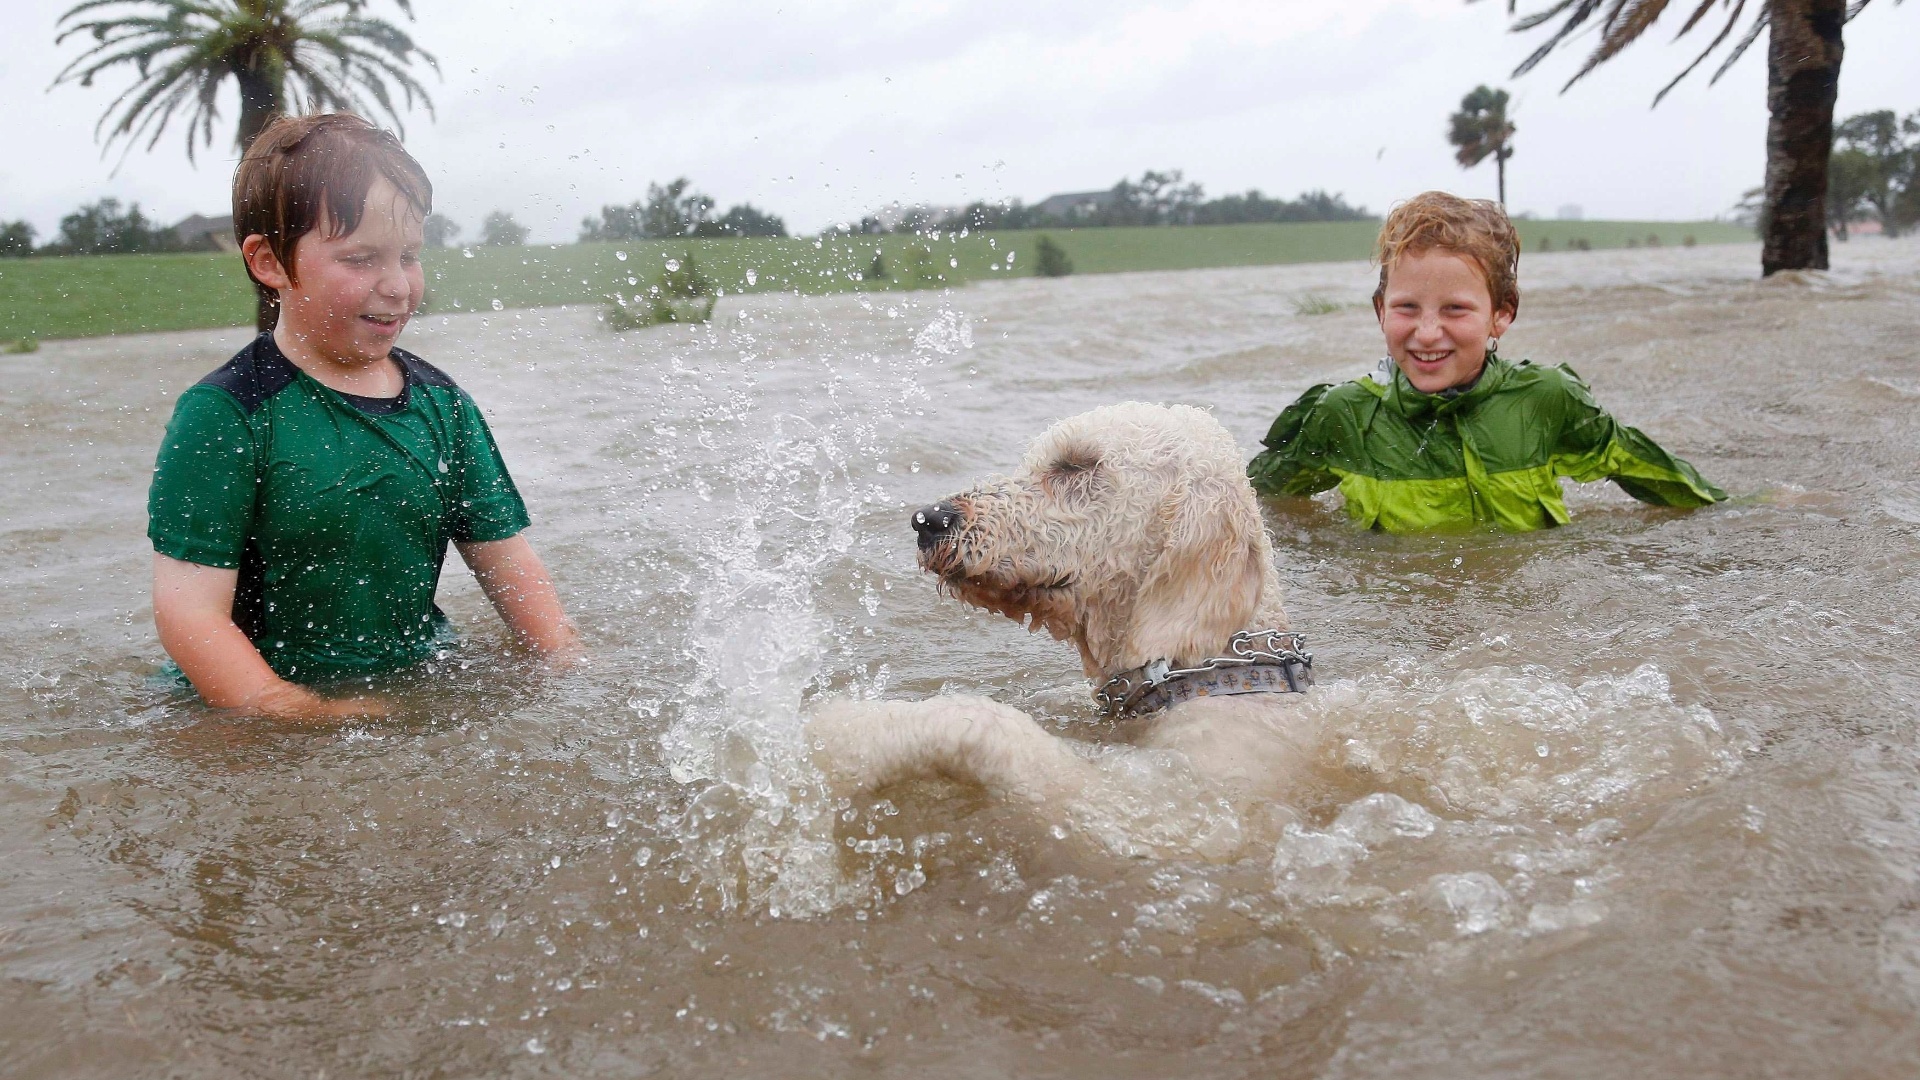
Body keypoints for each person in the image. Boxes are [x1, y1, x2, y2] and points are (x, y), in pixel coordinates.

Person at [148, 113, 579, 719]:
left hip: (418, 670)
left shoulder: (442, 404)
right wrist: (290, 709)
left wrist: (563, 660)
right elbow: (187, 615)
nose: (398, 285)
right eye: (360, 259)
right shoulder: (227, 414)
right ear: (269, 262)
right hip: (245, 703)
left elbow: (506, 562)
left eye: (409, 255)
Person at [1247, 191, 1725, 533]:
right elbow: (1255, 503)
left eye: (1455, 309)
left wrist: (1744, 513)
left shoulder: (1547, 400)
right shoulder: (1342, 414)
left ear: (1502, 314)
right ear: (1380, 311)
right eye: (1407, 308)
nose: (1427, 333)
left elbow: (1646, 471)